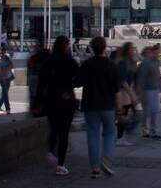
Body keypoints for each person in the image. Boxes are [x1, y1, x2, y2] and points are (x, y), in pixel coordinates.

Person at [75, 36, 119, 177]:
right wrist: (118, 106)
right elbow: (116, 88)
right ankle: (106, 157)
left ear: (92, 48)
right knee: (110, 133)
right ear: (105, 47)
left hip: (90, 104)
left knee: (93, 135)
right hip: (107, 104)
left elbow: (77, 82)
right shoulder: (111, 64)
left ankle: (94, 167)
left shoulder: (87, 64)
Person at [42, 36, 79, 175]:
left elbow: (42, 82)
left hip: (51, 99)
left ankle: (51, 152)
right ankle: (61, 164)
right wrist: (69, 89)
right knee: (64, 132)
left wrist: (38, 101)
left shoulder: (49, 62)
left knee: (53, 128)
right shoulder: (71, 62)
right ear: (66, 46)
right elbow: (79, 79)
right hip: (66, 99)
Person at [135, 44, 161, 140]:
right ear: (154, 52)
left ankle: (153, 131)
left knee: (155, 111)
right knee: (147, 112)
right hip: (147, 90)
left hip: (155, 89)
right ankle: (145, 130)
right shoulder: (146, 63)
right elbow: (141, 78)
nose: (159, 54)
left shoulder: (156, 62)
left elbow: (158, 75)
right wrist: (140, 91)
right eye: (158, 52)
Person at [115, 42, 139, 145]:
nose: (133, 50)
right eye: (131, 48)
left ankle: (120, 136)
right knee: (123, 116)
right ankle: (119, 137)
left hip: (128, 90)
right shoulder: (122, 62)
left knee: (125, 115)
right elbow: (123, 80)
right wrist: (131, 95)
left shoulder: (129, 62)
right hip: (123, 92)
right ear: (127, 50)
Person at [0, 46, 15, 114]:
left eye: (3, 53)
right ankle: (8, 108)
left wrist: (7, 66)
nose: (2, 55)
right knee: (5, 93)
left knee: (4, 93)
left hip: (8, 77)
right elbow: (0, 70)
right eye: (0, 53)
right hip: (1, 78)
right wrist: (7, 67)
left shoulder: (7, 56)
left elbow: (12, 65)